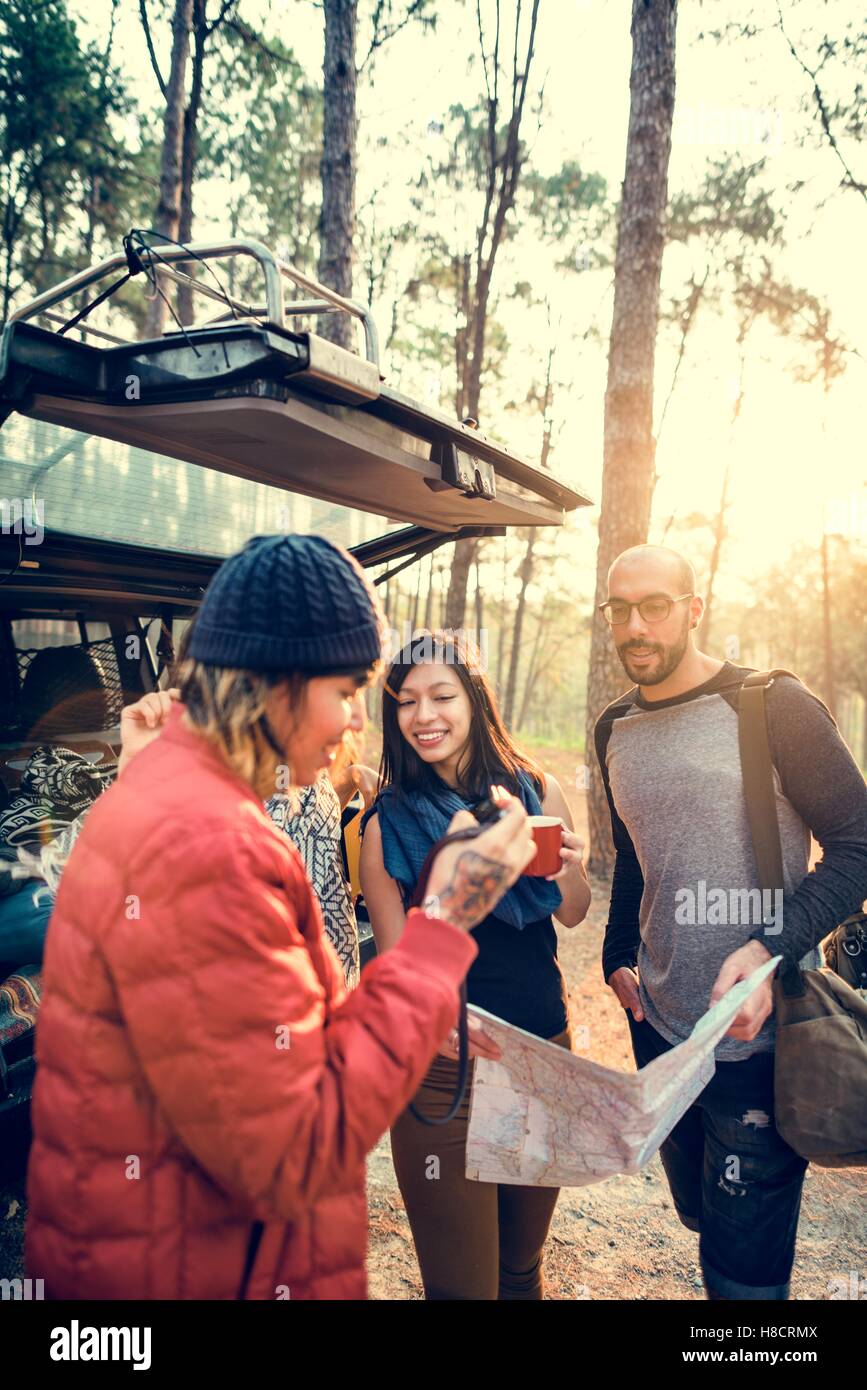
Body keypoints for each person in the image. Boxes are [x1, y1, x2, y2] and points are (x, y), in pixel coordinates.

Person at [25, 534, 538, 1301]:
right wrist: (445, 921)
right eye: (346, 690)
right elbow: (298, 1149)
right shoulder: (205, 850)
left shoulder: (162, 789)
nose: (361, 721)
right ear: (274, 685)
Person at [595, 543, 867, 1301]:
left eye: (654, 606)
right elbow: (630, 852)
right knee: (699, 1218)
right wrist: (619, 948)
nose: (635, 627)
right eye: (620, 610)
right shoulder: (613, 727)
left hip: (761, 1041)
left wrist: (768, 950)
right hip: (660, 1033)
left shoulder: (771, 706)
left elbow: (858, 844)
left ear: (693, 609)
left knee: (740, 1280)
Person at [360, 630, 591, 1300]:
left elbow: (571, 912)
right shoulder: (386, 824)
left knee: (520, 1271)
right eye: (406, 701)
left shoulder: (535, 790)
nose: (423, 715)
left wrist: (573, 869)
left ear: (474, 698)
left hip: (540, 1055)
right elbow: (400, 974)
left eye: (441, 695)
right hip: (444, 1073)